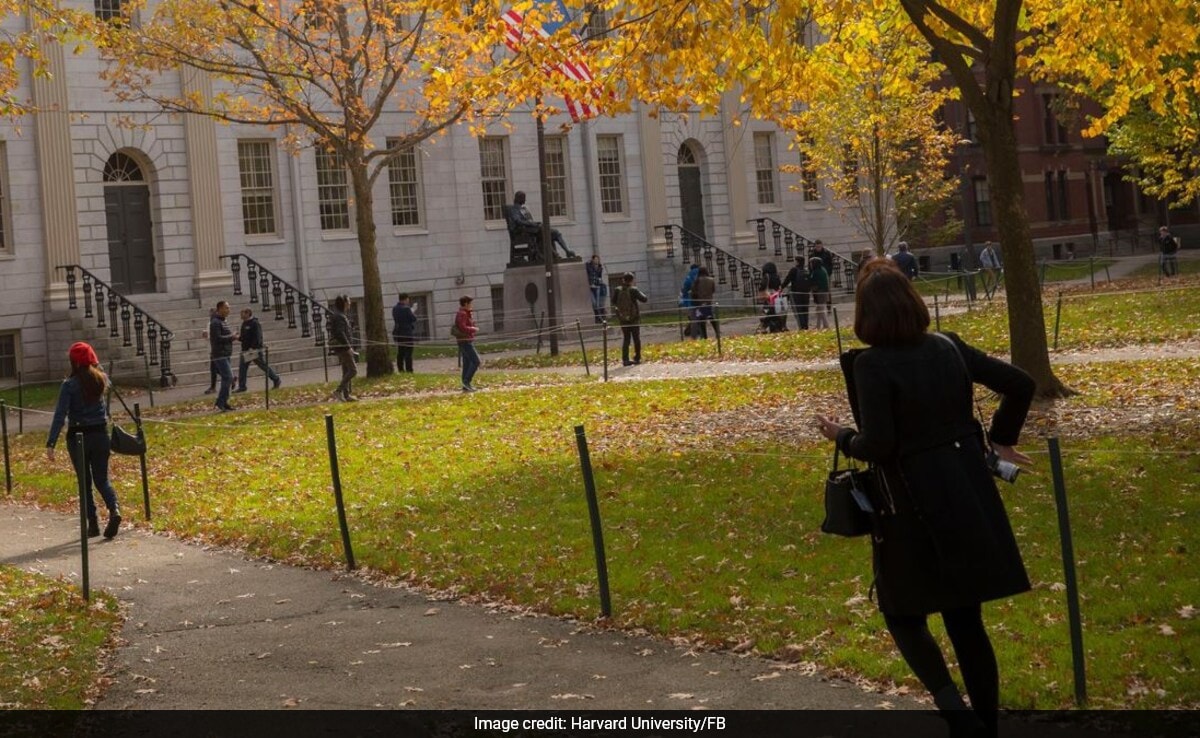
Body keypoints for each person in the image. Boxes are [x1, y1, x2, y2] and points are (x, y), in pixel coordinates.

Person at [815, 258, 1035, 738]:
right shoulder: (947, 347)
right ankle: (984, 726)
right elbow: (1019, 384)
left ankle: (959, 716)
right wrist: (1001, 440)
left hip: (910, 505)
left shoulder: (873, 365)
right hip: (965, 492)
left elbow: (880, 446)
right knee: (964, 616)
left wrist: (840, 436)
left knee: (901, 611)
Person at [45, 342, 122, 539]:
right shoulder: (101, 380)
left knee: (85, 482)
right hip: (100, 435)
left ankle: (93, 524)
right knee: (102, 479)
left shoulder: (69, 385)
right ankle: (114, 510)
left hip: (78, 438)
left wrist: (51, 442)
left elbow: (60, 415)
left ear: (73, 362)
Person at [507, 191, 575, 260]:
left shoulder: (524, 209)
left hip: (531, 229)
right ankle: (554, 254)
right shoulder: (513, 209)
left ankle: (567, 251)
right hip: (521, 232)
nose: (525, 200)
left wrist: (535, 223)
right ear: (519, 198)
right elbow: (518, 221)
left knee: (555, 232)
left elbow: (529, 220)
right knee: (543, 230)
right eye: (524, 198)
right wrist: (532, 224)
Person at [234, 308, 281, 393]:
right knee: (242, 368)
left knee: (263, 365)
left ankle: (276, 379)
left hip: (253, 350)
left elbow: (258, 337)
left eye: (242, 313)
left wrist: (253, 348)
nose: (241, 315)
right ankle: (242, 386)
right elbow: (244, 338)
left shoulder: (255, 323)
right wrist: (237, 338)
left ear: (248, 313)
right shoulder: (244, 324)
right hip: (245, 350)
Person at [612, 271, 648, 366]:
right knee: (636, 338)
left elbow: (613, 301)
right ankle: (637, 358)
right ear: (632, 280)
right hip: (634, 318)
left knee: (626, 339)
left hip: (623, 318)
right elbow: (644, 299)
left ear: (623, 279)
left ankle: (625, 359)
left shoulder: (617, 290)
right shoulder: (633, 290)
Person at [328, 295, 357, 402]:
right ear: (344, 303)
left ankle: (346, 395)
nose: (350, 303)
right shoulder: (339, 316)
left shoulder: (340, 315)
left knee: (346, 371)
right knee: (353, 371)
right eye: (348, 301)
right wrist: (348, 346)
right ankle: (338, 391)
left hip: (342, 347)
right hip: (343, 348)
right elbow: (340, 333)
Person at [209, 301, 237, 411]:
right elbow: (217, 338)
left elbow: (225, 336)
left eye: (229, 308)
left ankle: (224, 402)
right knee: (228, 378)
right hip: (219, 354)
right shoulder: (215, 322)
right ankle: (220, 402)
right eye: (226, 308)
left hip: (226, 353)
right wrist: (231, 337)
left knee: (228, 378)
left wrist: (233, 337)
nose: (228, 310)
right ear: (219, 309)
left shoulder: (223, 321)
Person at [454, 295, 480, 392]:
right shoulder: (462, 314)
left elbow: (466, 324)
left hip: (465, 340)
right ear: (466, 303)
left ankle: (465, 384)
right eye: (470, 303)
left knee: (467, 362)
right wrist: (473, 329)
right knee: (476, 361)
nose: (471, 305)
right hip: (465, 341)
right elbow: (462, 327)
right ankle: (467, 381)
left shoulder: (465, 313)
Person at [781, 254, 813, 330]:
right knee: (805, 310)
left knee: (798, 311)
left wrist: (781, 287)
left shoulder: (794, 270)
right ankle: (806, 325)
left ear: (797, 262)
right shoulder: (806, 271)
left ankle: (801, 327)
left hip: (796, 293)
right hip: (806, 293)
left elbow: (787, 279)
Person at [689, 266, 718, 339]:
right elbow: (713, 290)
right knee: (711, 317)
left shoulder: (697, 280)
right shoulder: (711, 280)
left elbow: (693, 291)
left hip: (700, 302)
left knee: (702, 320)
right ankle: (717, 332)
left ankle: (705, 336)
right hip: (709, 301)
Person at [392, 293, 417, 372]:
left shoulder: (395, 308)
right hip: (407, 333)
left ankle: (400, 369)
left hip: (399, 332)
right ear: (406, 299)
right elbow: (413, 319)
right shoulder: (406, 309)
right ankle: (409, 369)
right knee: (408, 352)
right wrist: (412, 310)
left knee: (400, 352)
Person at [809, 256, 830, 330]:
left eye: (811, 263)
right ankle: (818, 325)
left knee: (821, 310)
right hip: (824, 292)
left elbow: (813, 282)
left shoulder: (816, 272)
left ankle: (826, 325)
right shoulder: (823, 270)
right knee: (819, 310)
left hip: (820, 293)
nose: (810, 265)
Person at [586, 256, 608, 324]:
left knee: (598, 304)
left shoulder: (600, 268)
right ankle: (599, 317)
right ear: (592, 260)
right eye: (595, 259)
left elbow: (599, 277)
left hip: (597, 286)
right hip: (590, 287)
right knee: (594, 303)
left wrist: (599, 282)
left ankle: (598, 318)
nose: (596, 261)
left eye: (597, 259)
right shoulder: (588, 266)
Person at [679, 264, 700, 337]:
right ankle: (692, 331)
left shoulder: (688, 277)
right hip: (697, 300)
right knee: (697, 317)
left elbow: (684, 290)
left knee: (693, 317)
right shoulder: (698, 275)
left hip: (688, 301)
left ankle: (693, 331)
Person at [202, 307, 219, 395]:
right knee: (217, 368)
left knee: (214, 368)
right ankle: (231, 379)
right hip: (212, 348)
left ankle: (213, 387)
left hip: (215, 349)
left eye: (212, 313)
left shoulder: (215, 323)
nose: (211, 315)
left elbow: (215, 335)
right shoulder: (210, 323)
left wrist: (207, 335)